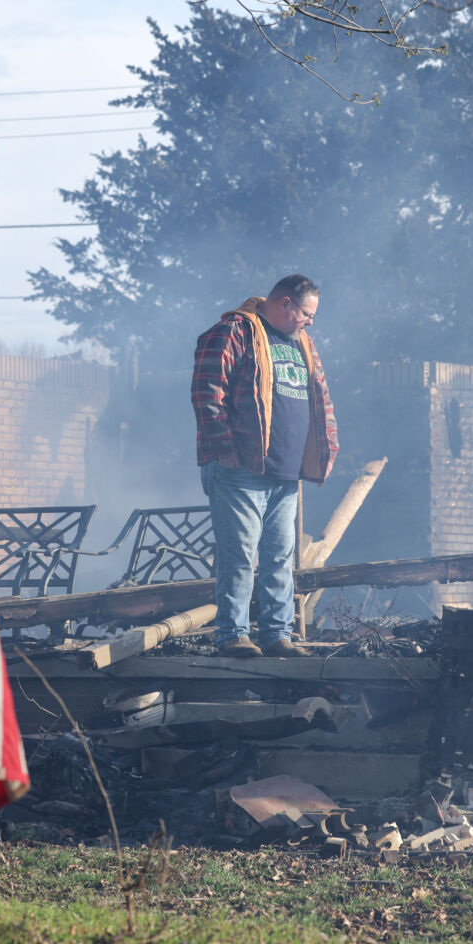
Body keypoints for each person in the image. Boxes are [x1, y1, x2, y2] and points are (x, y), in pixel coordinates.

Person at [190, 274, 339, 657]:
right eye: (307, 313)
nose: (311, 321)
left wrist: (322, 452)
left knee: (279, 559)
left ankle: (277, 635)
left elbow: (320, 399)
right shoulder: (234, 331)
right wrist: (223, 448)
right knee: (239, 556)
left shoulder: (301, 342)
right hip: (241, 471)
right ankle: (233, 636)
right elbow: (208, 390)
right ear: (285, 303)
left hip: (284, 474)